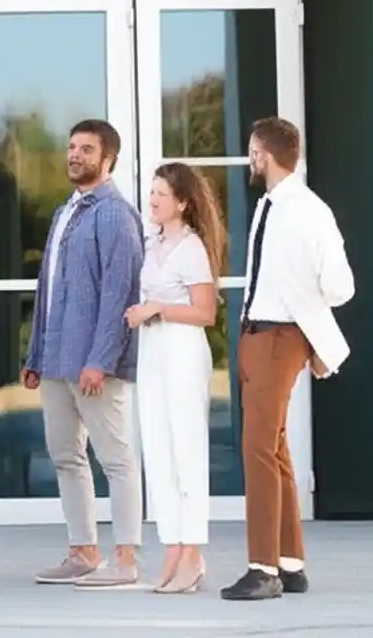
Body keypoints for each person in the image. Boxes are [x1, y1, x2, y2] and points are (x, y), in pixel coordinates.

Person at [220, 117, 353, 601]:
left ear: (264, 155)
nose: (250, 159)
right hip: (259, 335)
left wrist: (302, 307)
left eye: (252, 151)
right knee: (272, 448)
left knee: (258, 448)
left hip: (280, 335)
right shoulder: (271, 206)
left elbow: (341, 286)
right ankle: (290, 565)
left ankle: (262, 569)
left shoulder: (306, 210)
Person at [20, 118, 145, 588]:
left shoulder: (114, 214)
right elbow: (48, 288)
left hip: (94, 364)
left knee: (116, 459)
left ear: (107, 158)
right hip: (55, 361)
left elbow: (119, 292)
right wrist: (35, 354)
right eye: (71, 146)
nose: (74, 155)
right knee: (66, 456)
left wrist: (101, 359)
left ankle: (126, 560)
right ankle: (82, 551)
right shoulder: (66, 211)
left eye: (86, 149)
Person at [124, 162, 226, 593]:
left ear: (182, 203)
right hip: (152, 351)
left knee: (186, 450)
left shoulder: (192, 248)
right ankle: (171, 544)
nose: (153, 200)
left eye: (161, 194)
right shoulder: (151, 244)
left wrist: (157, 310)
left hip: (182, 350)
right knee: (159, 449)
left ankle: (192, 550)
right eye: (151, 193)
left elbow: (205, 313)